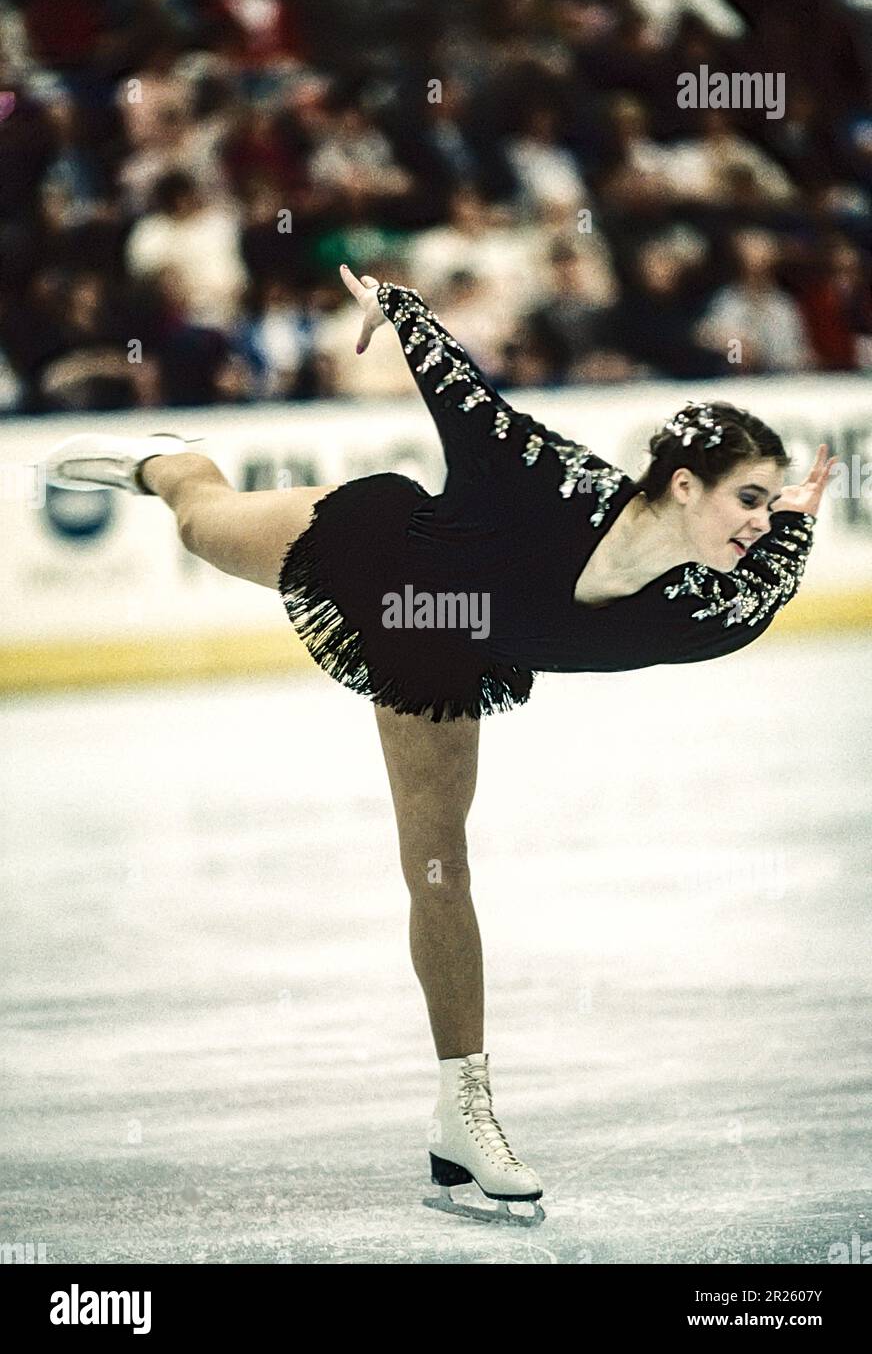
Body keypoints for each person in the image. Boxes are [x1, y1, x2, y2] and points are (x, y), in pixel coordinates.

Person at [39, 266, 838, 1227]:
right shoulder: (548, 480)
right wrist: (397, 305)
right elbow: (464, 389)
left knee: (438, 867)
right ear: (681, 483)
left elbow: (772, 583)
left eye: (767, 505)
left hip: (447, 656)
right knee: (204, 524)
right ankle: (164, 460)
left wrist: (787, 529)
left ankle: (464, 1111)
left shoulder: (713, 604)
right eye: (748, 499)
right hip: (384, 552)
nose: (758, 523)